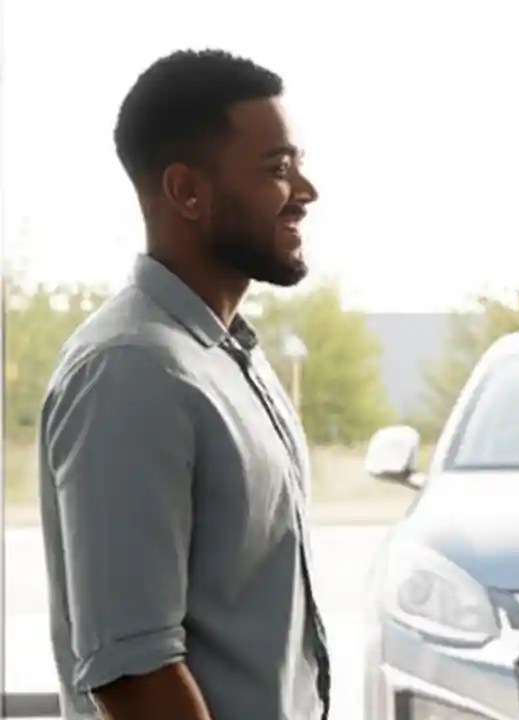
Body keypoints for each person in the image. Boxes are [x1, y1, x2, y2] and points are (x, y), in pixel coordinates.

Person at [38, 50, 328, 719]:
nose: (306, 192)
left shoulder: (230, 358)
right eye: (278, 170)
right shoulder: (130, 370)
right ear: (188, 192)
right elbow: (135, 675)